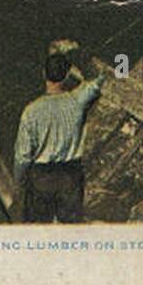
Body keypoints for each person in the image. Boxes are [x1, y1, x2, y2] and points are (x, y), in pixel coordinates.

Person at [14, 53, 104, 223]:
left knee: (38, 231)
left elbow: (22, 156)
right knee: (70, 232)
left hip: (41, 177)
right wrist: (79, 55)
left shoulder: (31, 111)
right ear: (67, 75)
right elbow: (98, 79)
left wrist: (18, 184)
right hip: (70, 175)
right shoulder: (77, 101)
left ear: (43, 74)